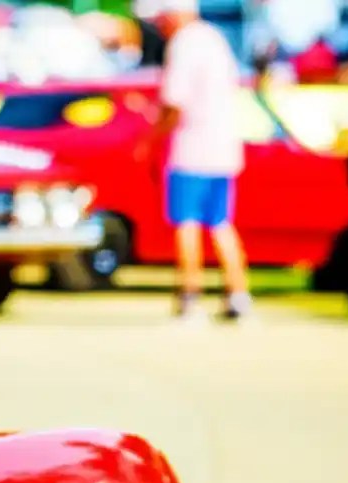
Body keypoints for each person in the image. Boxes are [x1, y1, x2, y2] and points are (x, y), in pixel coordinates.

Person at [142, 0, 253, 321]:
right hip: (224, 148)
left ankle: (189, 293)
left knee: (187, 221)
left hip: (192, 148)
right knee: (220, 222)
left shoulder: (184, 44)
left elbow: (175, 101)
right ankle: (238, 292)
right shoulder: (215, 39)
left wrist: (152, 138)